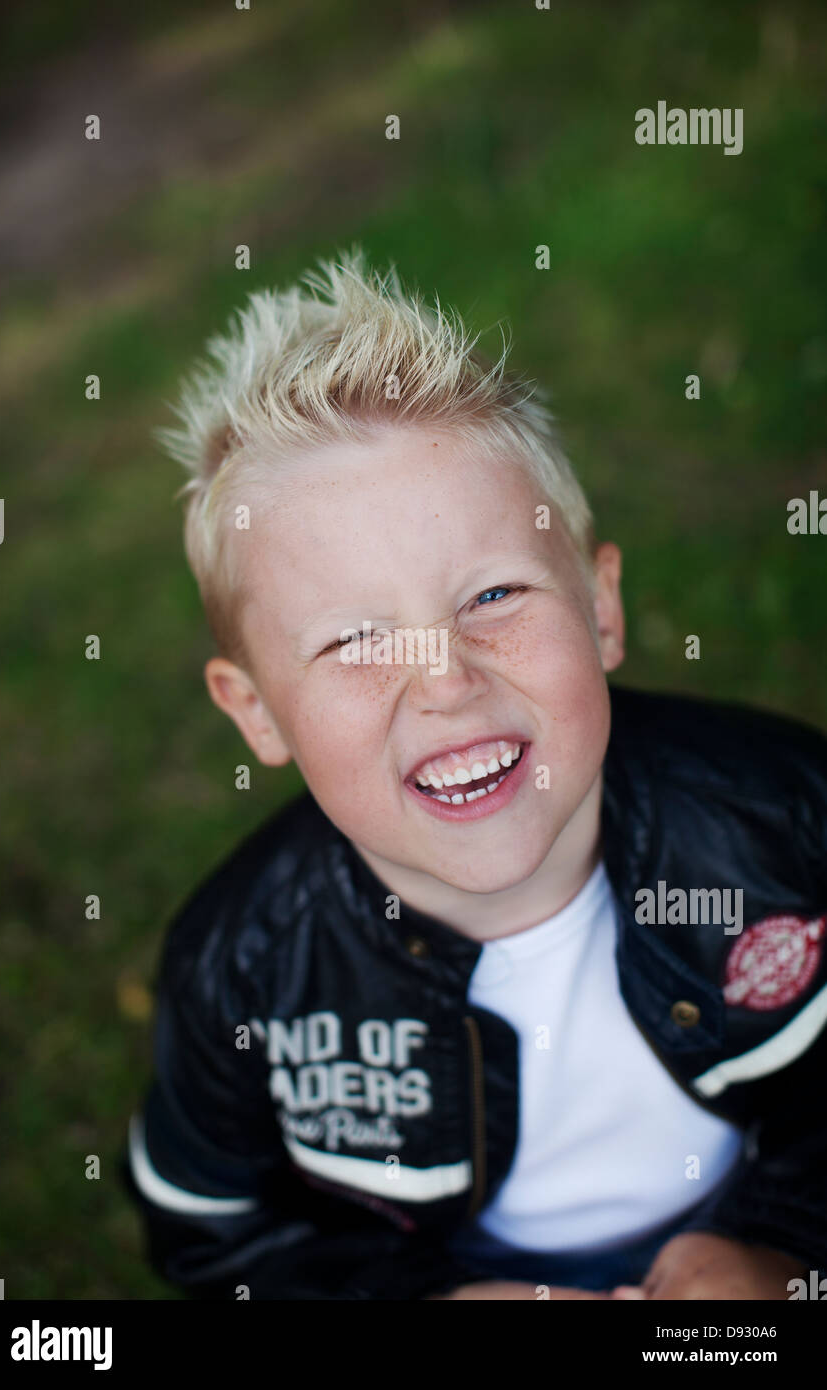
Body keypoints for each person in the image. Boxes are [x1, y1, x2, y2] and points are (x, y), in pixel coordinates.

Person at [122, 248, 827, 1300]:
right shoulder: (245, 966)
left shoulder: (781, 820)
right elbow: (214, 1237)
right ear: (257, 710)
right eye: (355, 640)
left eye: (493, 596)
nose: (445, 680)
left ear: (601, 610)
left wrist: (779, 1251)